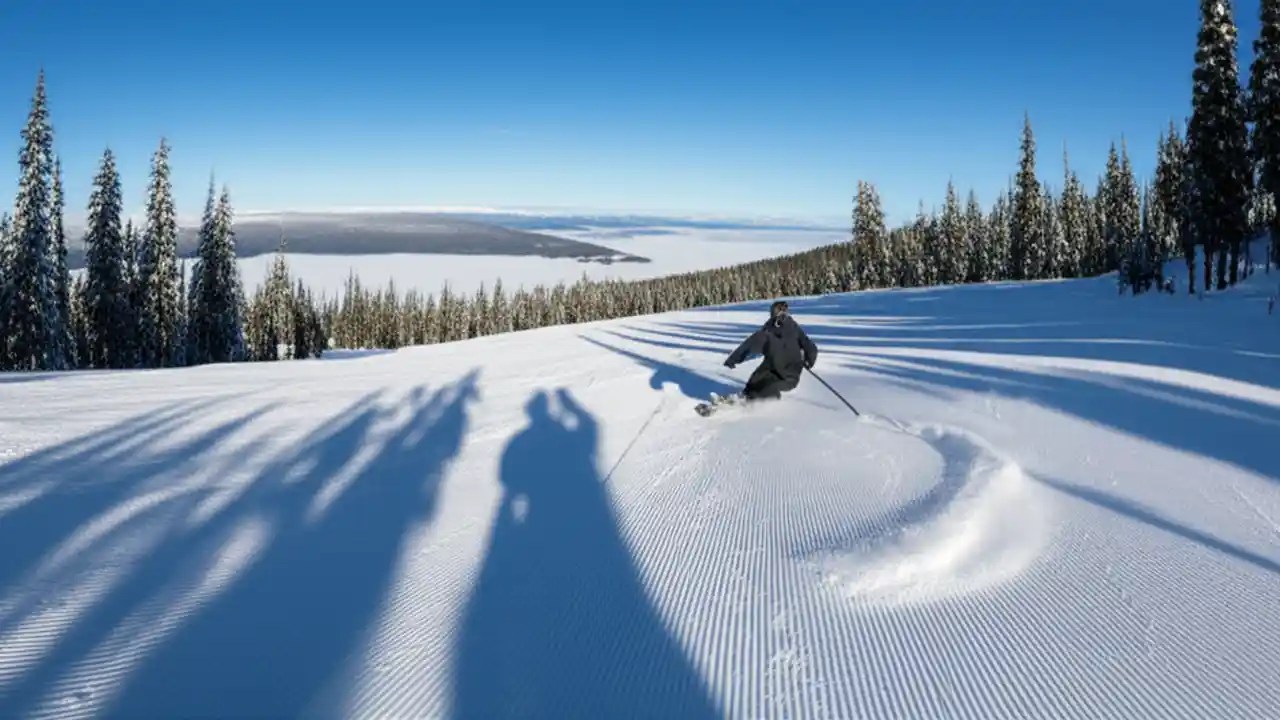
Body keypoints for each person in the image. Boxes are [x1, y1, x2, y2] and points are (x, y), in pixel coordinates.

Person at [722, 300, 818, 401]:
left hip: (788, 374)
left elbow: (750, 344)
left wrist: (733, 360)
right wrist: (809, 361)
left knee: (768, 385)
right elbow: (811, 348)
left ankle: (762, 401)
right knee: (757, 380)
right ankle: (747, 395)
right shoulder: (791, 326)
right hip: (776, 369)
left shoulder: (773, 330)